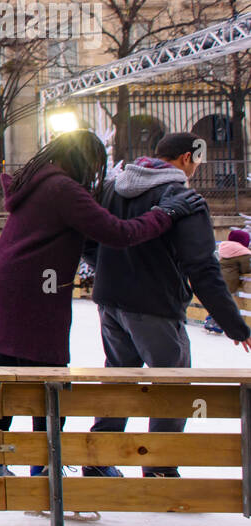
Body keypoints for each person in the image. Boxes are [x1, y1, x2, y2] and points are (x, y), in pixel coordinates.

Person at [0, 130, 207, 477]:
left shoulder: (41, 181)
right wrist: (167, 213)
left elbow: (87, 237)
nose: (97, 175)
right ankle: (41, 465)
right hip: (35, 289)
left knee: (14, 375)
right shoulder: (63, 189)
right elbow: (118, 233)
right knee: (52, 379)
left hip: (13, 284)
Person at [84, 133, 251, 477]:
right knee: (173, 383)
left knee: (119, 376)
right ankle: (159, 466)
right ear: (187, 158)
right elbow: (203, 269)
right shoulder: (183, 198)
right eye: (198, 161)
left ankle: (98, 460)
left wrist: (107, 271)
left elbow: (89, 237)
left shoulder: (114, 188)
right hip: (155, 306)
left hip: (111, 302)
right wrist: (234, 324)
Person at [205, 228, 251, 333]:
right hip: (228, 282)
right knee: (225, 305)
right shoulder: (243, 253)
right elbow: (246, 269)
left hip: (217, 279)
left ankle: (210, 320)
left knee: (217, 302)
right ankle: (216, 324)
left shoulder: (225, 249)